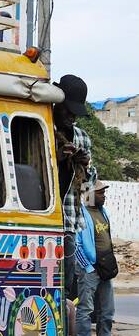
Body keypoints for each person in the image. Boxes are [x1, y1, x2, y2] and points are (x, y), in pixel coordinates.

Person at [54, 74, 96, 299]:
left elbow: (90, 188)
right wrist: (56, 159)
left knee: (66, 286)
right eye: (67, 110)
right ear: (57, 102)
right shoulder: (40, 128)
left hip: (69, 221)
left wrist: (86, 166)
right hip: (43, 220)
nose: (71, 116)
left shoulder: (82, 138)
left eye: (75, 112)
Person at [74, 182, 125, 336]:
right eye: (100, 193)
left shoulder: (103, 212)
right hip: (89, 269)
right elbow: (76, 244)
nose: (104, 196)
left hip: (105, 268)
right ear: (89, 194)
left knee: (107, 309)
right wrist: (87, 267)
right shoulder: (81, 213)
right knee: (86, 309)